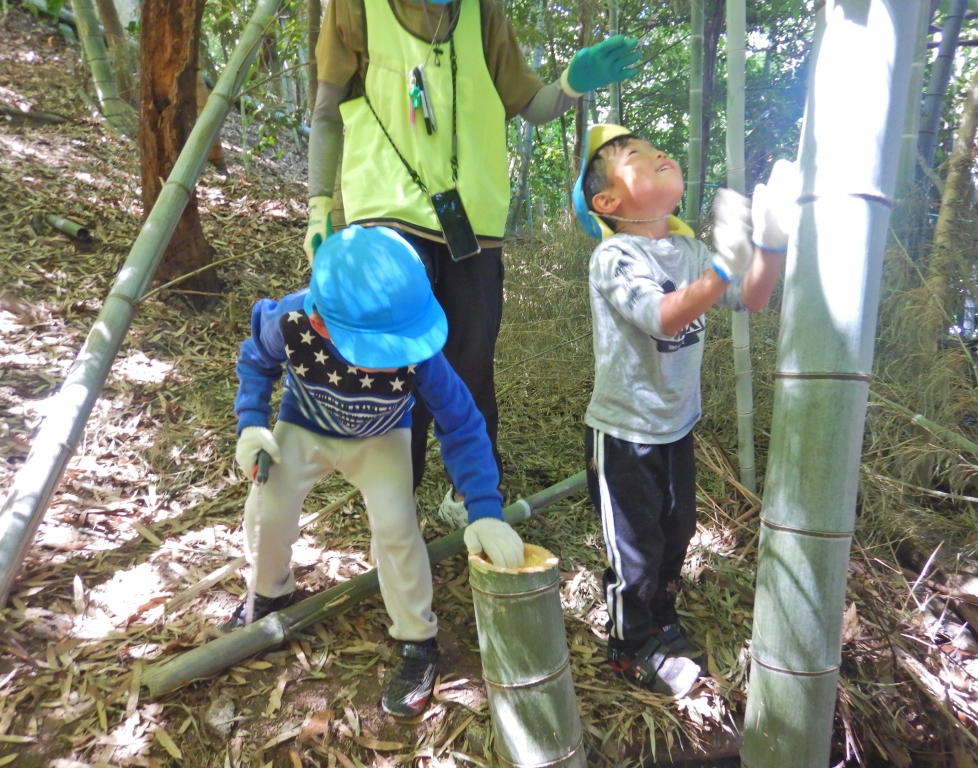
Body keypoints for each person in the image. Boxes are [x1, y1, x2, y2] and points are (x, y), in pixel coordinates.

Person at [305, 0, 643, 524]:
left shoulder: (482, 13)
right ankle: (394, 501)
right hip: (386, 215)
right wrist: (318, 205)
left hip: (473, 226)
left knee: (470, 364)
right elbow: (327, 112)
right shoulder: (355, 8)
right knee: (394, 364)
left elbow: (534, 103)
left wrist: (573, 83)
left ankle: (473, 498)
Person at [226, 224, 525, 718]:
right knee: (267, 508)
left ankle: (417, 639)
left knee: (397, 529)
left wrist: (484, 510)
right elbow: (257, 361)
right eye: (382, 351)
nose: (396, 360)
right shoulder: (291, 319)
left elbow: (462, 423)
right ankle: (269, 592)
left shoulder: (419, 347)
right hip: (305, 426)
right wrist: (252, 424)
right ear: (322, 325)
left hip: (383, 436)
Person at [574, 123, 795, 696]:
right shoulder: (614, 255)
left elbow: (752, 297)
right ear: (608, 202)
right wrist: (724, 262)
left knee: (677, 532)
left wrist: (769, 245)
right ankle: (628, 646)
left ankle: (659, 616)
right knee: (635, 550)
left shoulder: (690, 248)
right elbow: (663, 317)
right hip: (624, 432)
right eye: (639, 158)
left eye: (659, 150)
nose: (660, 155)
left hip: (677, 424)